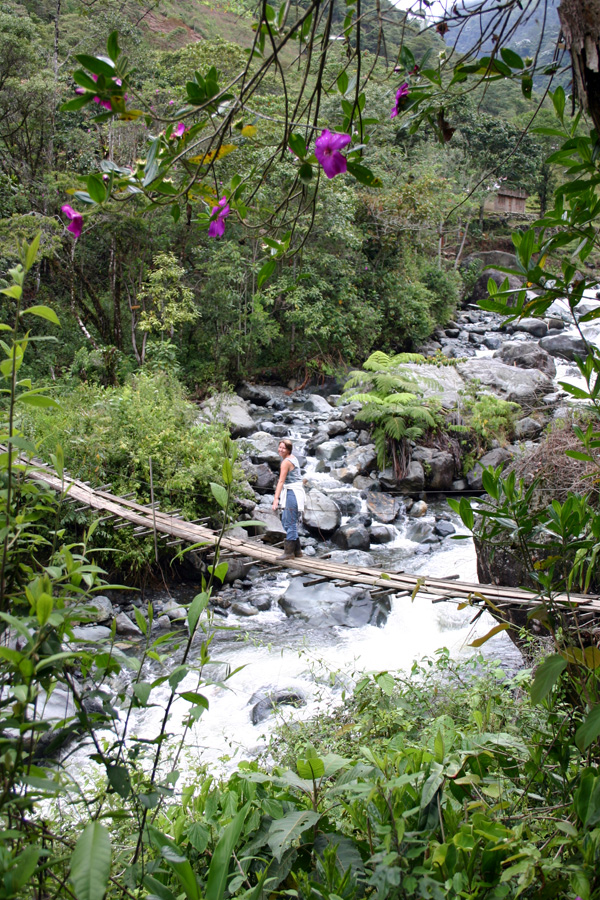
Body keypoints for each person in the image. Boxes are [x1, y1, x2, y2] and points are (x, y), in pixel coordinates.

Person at [272, 439, 304, 559]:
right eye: (279, 447)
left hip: (293, 493)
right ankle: (297, 551)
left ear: (289, 450)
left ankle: (289, 553)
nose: (280, 450)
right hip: (295, 491)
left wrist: (276, 499)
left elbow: (281, 481)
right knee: (288, 520)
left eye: (283, 448)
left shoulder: (286, 462)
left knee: (289, 521)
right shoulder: (293, 457)